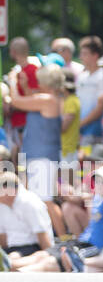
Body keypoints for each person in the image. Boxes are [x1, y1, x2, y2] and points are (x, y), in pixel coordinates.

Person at [7, 63, 68, 234]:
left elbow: (17, 101)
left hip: (42, 158)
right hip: (38, 157)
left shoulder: (47, 100)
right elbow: (29, 100)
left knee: (45, 200)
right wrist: (25, 86)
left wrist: (12, 81)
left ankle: (64, 239)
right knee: (37, 199)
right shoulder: (49, 99)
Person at [75, 37, 103, 144]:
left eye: (85, 54)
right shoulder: (81, 76)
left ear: (95, 55)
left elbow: (101, 106)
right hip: (79, 131)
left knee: (90, 161)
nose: (81, 57)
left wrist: (80, 124)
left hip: (95, 132)